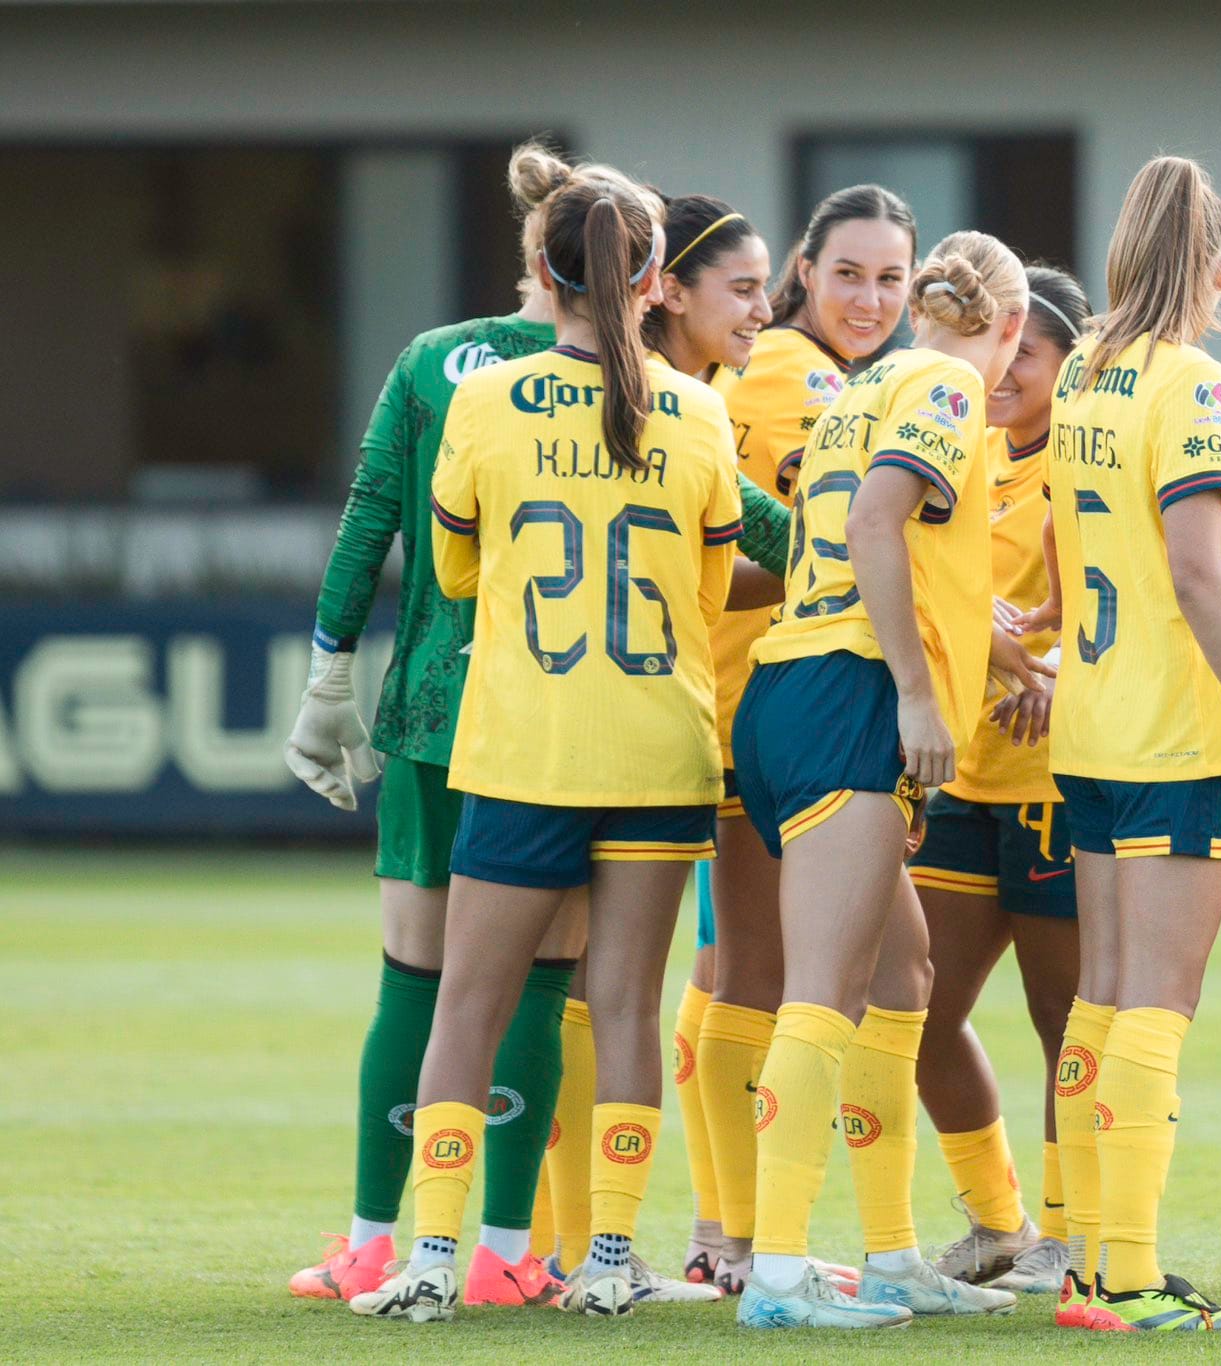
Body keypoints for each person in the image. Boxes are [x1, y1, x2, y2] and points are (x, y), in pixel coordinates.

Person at [350, 172, 742, 1323]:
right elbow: (709, 583)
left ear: (543, 269)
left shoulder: (490, 399)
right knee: (624, 1006)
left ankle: (430, 1260)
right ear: (652, 278)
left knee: (466, 1003)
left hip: (526, 743)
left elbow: (458, 571)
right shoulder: (699, 411)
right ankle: (612, 1254)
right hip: (662, 747)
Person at [286, 141, 593, 1312]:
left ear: (528, 251)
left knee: (413, 981)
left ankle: (373, 1241)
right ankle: (508, 1251)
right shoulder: (636, 374)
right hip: (569, 723)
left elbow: (370, 523)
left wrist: (327, 684)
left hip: (430, 707)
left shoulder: (431, 363)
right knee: (542, 983)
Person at [732, 230, 1045, 1329]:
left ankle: (892, 1253)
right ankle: (774, 1271)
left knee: (903, 973)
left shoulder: (861, 388)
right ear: (1007, 331)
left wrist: (992, 650)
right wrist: (918, 692)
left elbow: (882, 545)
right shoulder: (949, 391)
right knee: (819, 990)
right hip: (846, 697)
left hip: (792, 691)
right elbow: (876, 522)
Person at [1030, 154, 1221, 1333]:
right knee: (1156, 1003)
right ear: (1212, 262)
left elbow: (1078, 528)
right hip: (1172, 728)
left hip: (1088, 719)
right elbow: (1193, 566)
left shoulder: (1086, 367)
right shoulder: (1190, 379)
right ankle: (1128, 1273)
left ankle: (1090, 1263)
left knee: (1099, 998)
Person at [698, 186, 916, 1297]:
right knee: (762, 975)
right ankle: (740, 1237)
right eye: (849, 273)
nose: (871, 297)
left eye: (890, 277)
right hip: (786, 700)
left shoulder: (813, 372)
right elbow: (815, 546)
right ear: (804, 270)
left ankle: (743, 1234)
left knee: (772, 968)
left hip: (761, 699)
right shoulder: (801, 375)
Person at [906, 266, 1091, 1295]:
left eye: (1025, 353)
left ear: (1064, 363)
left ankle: (1071, 1232)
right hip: (967, 776)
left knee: (1065, 1018)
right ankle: (998, 1221)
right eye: (999, 351)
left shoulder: (1082, 458)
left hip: (1057, 782)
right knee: (919, 1006)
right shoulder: (960, 449)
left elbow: (1122, 591)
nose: (1006, 371)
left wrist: (1058, 670)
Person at [639, 191, 797, 1286]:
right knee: (640, 979)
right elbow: (758, 554)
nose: (762, 312)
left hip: (671, 717)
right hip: (672, 721)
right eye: (741, 291)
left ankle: (692, 1238)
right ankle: (732, 1238)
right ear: (669, 291)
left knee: (644, 977)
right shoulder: (679, 409)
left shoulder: (698, 397)